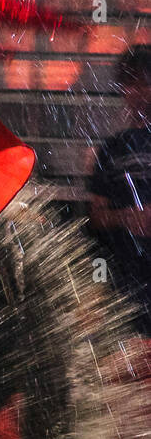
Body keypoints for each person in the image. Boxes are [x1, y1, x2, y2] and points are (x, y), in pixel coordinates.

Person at [90, 45, 151, 329]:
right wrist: (128, 217)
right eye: (131, 83)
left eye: (144, 82)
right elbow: (97, 215)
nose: (138, 92)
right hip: (125, 281)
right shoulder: (112, 148)